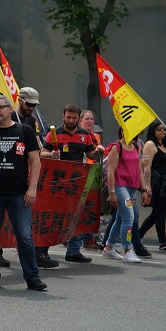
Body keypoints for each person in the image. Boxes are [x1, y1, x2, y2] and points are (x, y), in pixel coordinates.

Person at [0, 95, 47, 291]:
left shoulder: (25, 131)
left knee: (25, 237)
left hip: (18, 193)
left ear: (9, 108)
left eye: (0, 108)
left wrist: (32, 188)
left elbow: (35, 161)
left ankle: (32, 277)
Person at [40, 103, 103, 262]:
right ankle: (43, 251)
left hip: (77, 182)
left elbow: (90, 153)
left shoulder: (84, 134)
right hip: (57, 182)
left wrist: (98, 152)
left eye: (74, 118)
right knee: (53, 216)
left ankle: (73, 251)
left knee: (77, 216)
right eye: (68, 117)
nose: (70, 120)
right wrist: (51, 155)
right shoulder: (55, 133)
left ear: (78, 119)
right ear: (63, 117)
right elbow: (42, 152)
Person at [14, 86, 59, 269]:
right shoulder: (9, 117)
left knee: (30, 217)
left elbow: (37, 149)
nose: (32, 108)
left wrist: (49, 155)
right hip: (9, 174)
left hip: (26, 175)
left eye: (34, 105)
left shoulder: (32, 121)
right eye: (29, 104)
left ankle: (36, 255)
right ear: (20, 100)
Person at [103, 127, 151, 263]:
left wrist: (144, 190)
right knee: (129, 217)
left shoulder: (136, 147)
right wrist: (112, 193)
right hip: (119, 186)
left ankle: (108, 247)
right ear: (122, 131)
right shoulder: (116, 147)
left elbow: (139, 171)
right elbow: (110, 172)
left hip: (131, 187)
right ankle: (127, 250)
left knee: (120, 218)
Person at [138, 120, 166, 251]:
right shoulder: (150, 144)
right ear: (153, 130)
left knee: (156, 214)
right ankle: (163, 242)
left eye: (164, 129)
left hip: (165, 185)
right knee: (160, 212)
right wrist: (147, 185)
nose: (162, 131)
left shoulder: (164, 145)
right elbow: (146, 166)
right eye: (159, 129)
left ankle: (138, 235)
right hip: (156, 185)